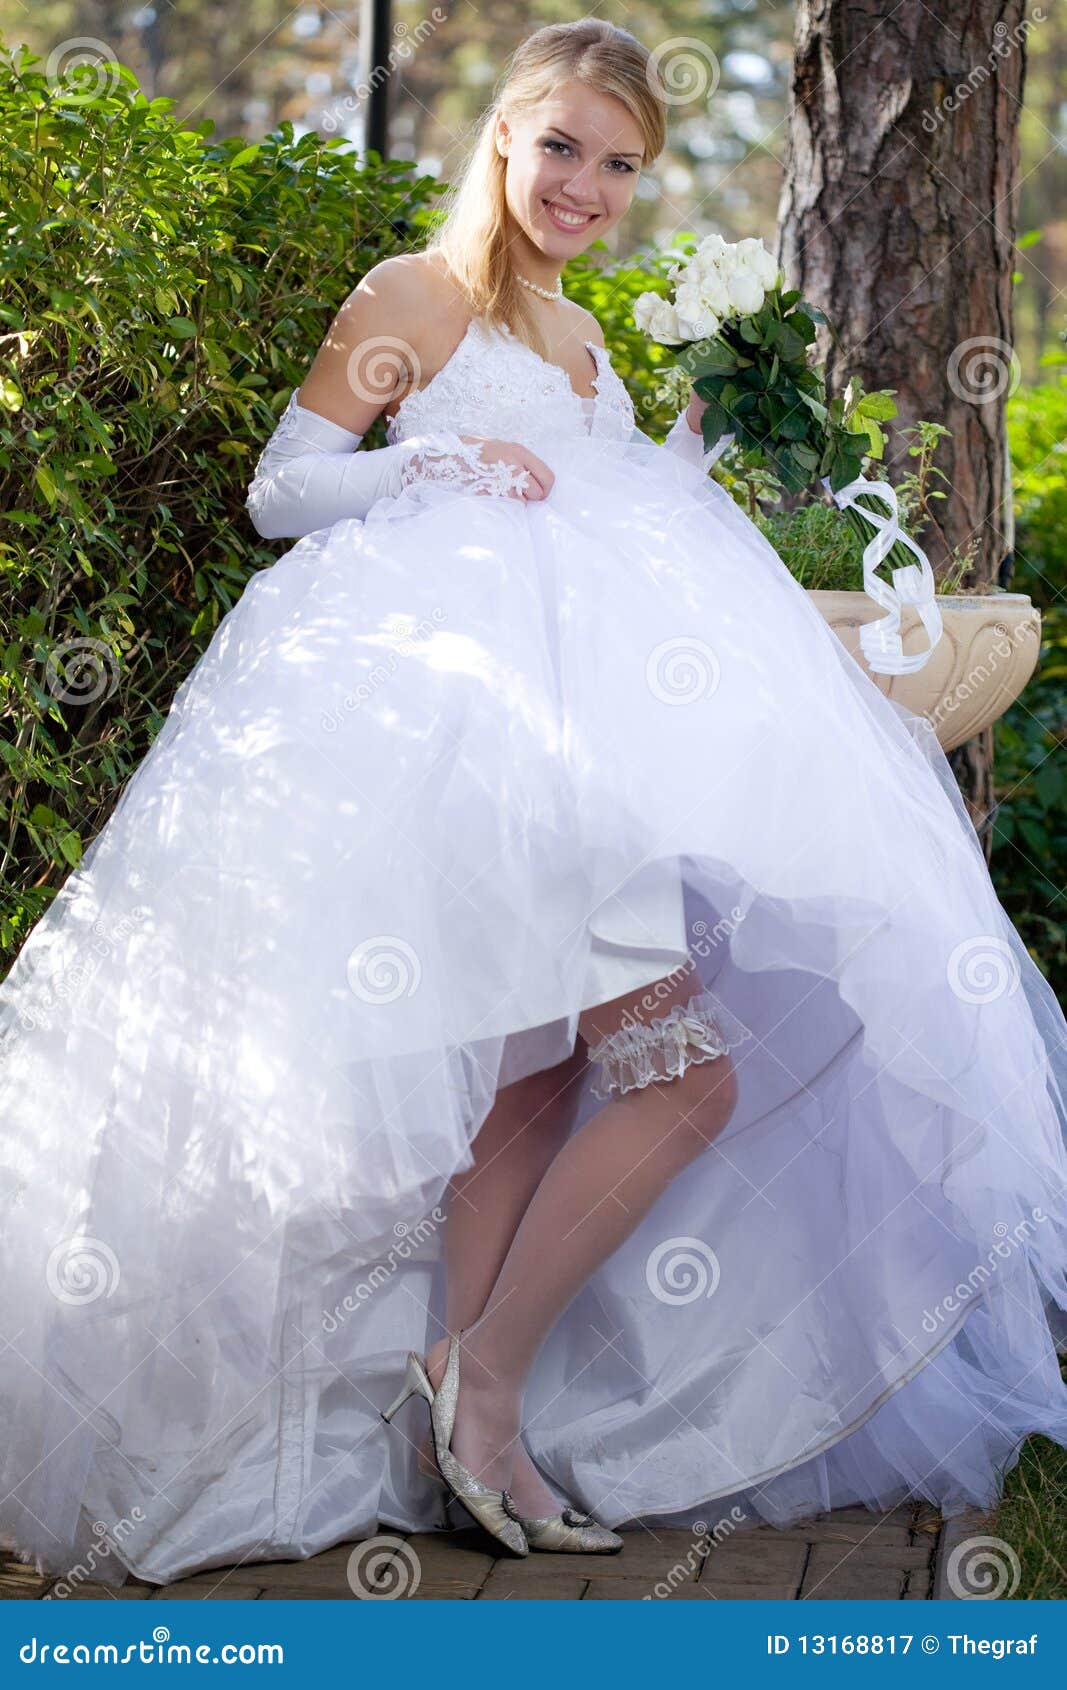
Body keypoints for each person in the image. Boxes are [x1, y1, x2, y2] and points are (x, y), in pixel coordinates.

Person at [2, 15, 1066, 1586]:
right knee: (678, 1077)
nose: (585, 185)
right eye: (562, 145)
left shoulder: (580, 336)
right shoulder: (417, 298)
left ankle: (463, 1406)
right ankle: (481, 1382)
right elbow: (283, 487)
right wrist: (429, 471)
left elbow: (609, 521)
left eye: (621, 166)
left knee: (533, 1087)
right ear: (502, 135)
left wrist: (686, 459)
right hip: (469, 749)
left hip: (580, 763)